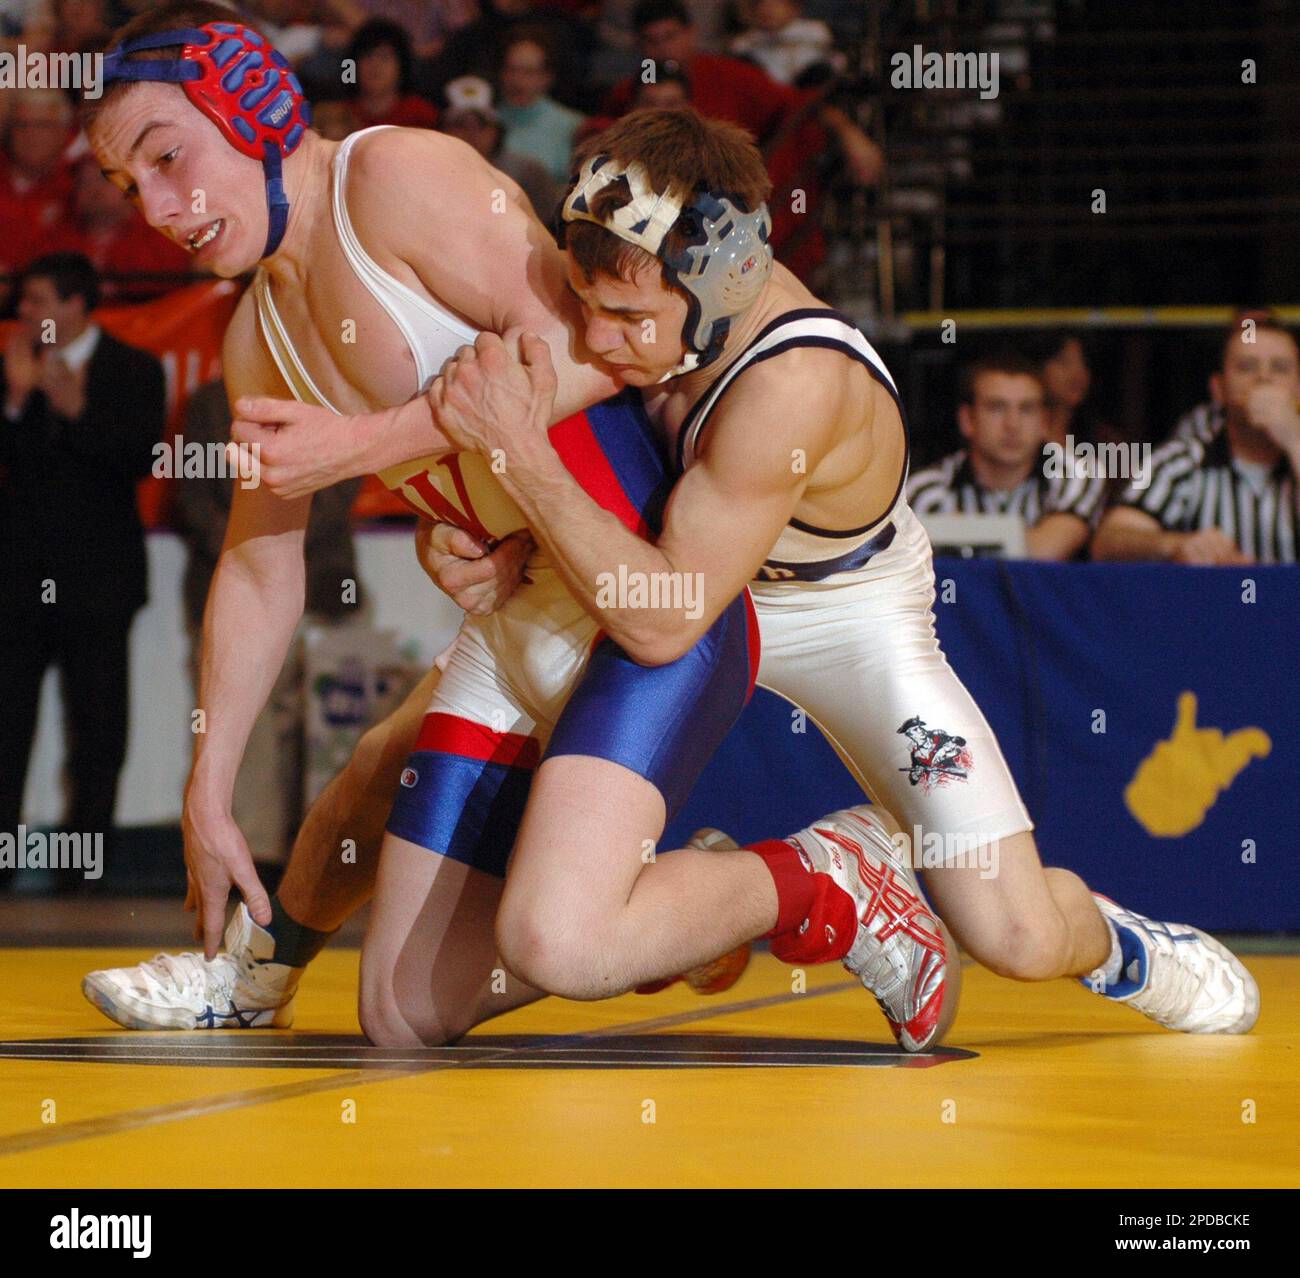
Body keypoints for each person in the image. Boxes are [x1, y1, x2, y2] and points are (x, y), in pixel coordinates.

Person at [97, 100, 1256, 1045]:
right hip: (667, 581)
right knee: (389, 846)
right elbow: (585, 455)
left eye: (622, 318)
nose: (593, 340)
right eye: (585, 299)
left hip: (830, 616)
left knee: (1006, 929)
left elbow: (660, 616)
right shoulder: (649, 304)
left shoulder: (786, 385)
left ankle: (1122, 947)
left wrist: (513, 467)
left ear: (722, 281)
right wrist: (496, 536)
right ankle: (671, 923)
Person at [80, 7, 952, 1049]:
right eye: (133, 189)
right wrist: (207, 791)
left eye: (169, 158)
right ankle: (672, 915)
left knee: (558, 944)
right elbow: (260, 564)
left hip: (630, 597)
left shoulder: (394, 180)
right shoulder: (255, 336)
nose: (163, 211)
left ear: (253, 104)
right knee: (404, 1016)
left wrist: (360, 446)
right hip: (512, 617)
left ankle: (822, 877)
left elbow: (578, 349)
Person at [0, 252, 166, 890]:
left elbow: (140, 458)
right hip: (17, 581)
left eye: (38, 300)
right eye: (24, 300)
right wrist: (16, 399)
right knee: (9, 725)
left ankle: (84, 870)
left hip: (100, 584)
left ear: (76, 305)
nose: (25, 312)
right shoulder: (13, 363)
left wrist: (76, 413)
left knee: (98, 729)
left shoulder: (133, 368)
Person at [1093, 317, 1299, 564]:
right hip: (1215, 602)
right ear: (1218, 389)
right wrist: (1176, 544)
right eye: (1246, 366)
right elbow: (1107, 541)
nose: (1264, 378)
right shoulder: (1180, 462)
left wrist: (1294, 438)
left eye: (1280, 368)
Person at [906, 352, 1105, 561]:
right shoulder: (924, 487)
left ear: (1044, 422)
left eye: (1026, 409)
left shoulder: (1078, 474)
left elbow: (1046, 551)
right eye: (997, 407)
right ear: (967, 420)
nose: (1012, 424)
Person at [438, 74, 561, 222]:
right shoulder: (428, 174)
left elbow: (549, 229)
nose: (471, 133)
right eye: (460, 124)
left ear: (496, 130)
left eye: (481, 124)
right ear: (444, 130)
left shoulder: (527, 172)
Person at [346, 19, 438, 129]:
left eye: (384, 57)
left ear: (402, 65)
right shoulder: (339, 114)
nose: (375, 65)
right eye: (367, 56)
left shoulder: (421, 114)